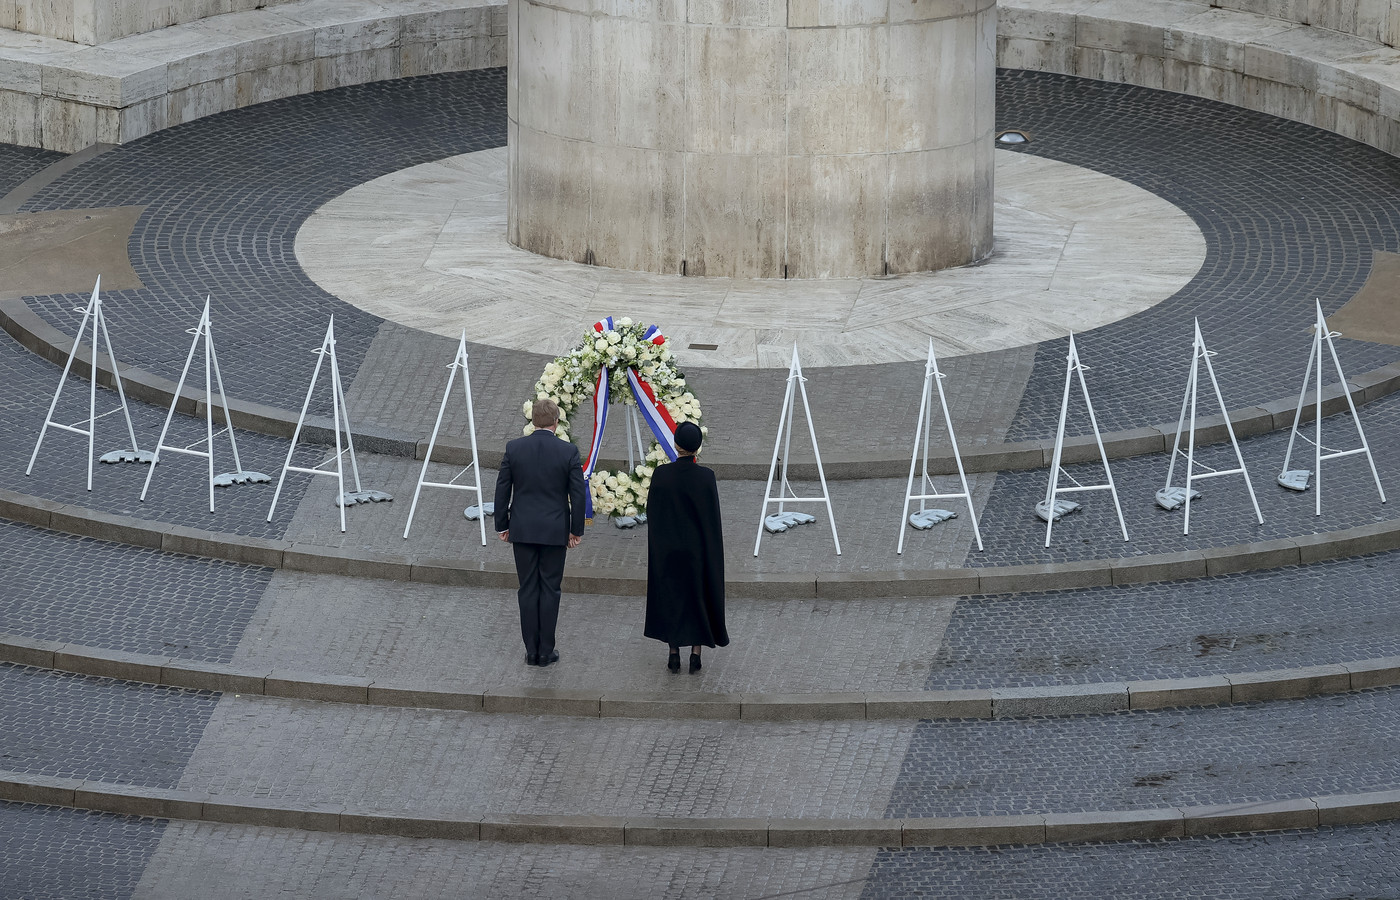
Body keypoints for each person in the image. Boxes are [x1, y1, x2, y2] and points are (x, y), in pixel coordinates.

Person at [494, 398, 586, 667]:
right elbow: (577, 495)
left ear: (533, 421)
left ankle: (530, 651)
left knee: (527, 589)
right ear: (556, 422)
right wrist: (575, 530)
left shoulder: (514, 448)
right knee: (550, 589)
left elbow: (502, 490)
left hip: (522, 530)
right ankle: (546, 650)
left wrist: (503, 524)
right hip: (555, 532)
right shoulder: (568, 451)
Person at [644, 421, 727, 673]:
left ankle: (673, 653)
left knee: (672, 598)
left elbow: (653, 513)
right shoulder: (706, 477)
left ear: (676, 445)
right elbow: (712, 519)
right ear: (697, 448)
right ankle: (695, 654)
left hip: (668, 551)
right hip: (696, 552)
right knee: (696, 598)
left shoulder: (661, 475)